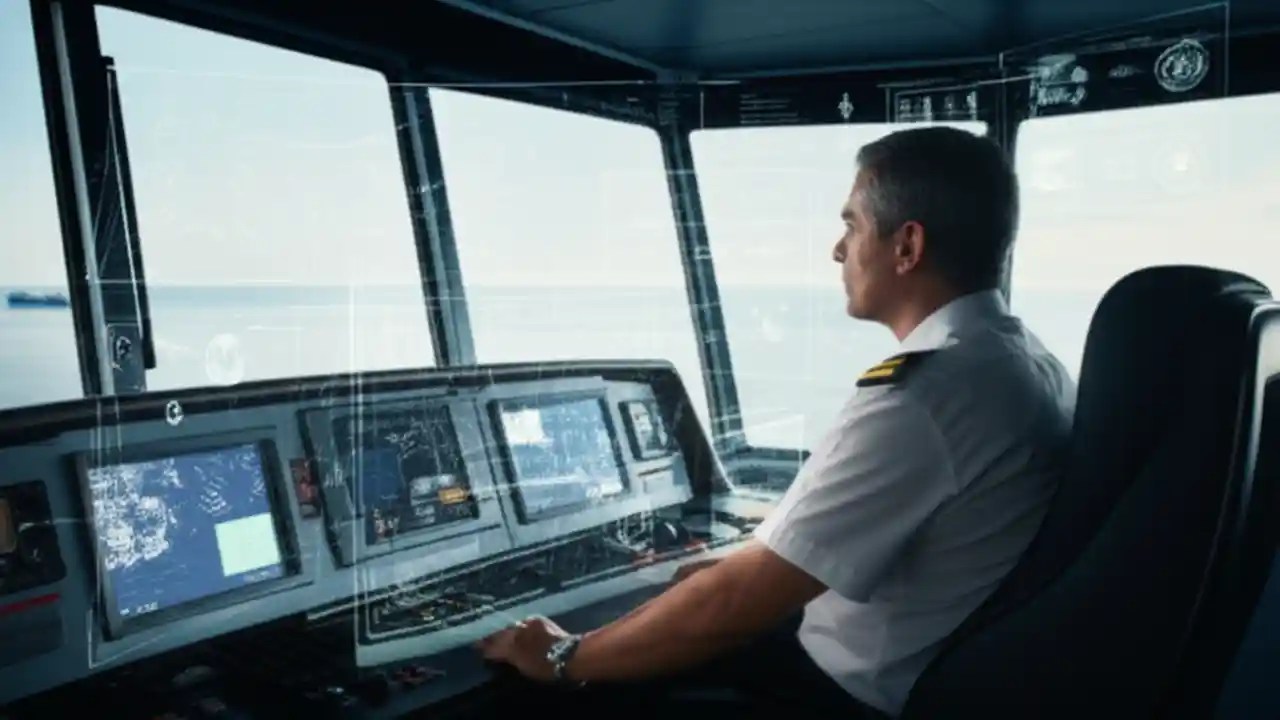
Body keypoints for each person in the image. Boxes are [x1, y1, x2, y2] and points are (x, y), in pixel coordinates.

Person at [475, 126, 1077, 718]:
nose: (838, 250)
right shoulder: (1023, 360)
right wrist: (743, 572)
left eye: (852, 225)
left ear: (907, 247)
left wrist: (563, 655)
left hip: (838, 694)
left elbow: (731, 605)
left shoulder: (921, 400)